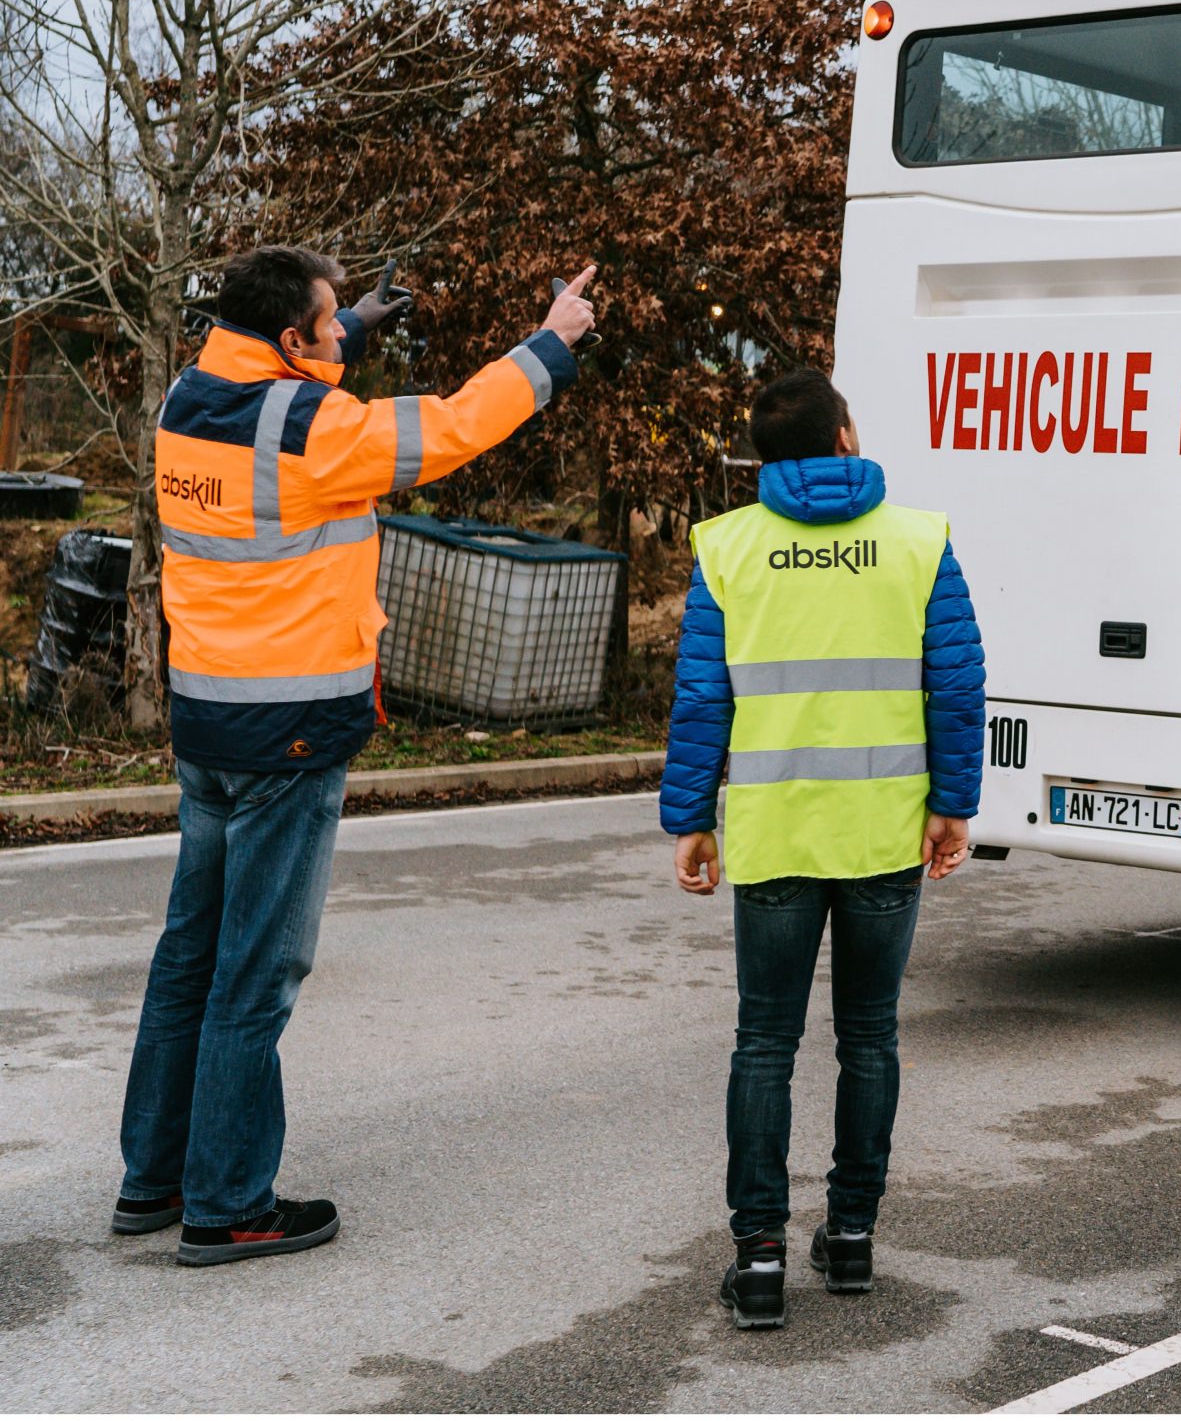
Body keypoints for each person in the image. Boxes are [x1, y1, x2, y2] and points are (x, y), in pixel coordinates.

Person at [119, 244, 594, 1266]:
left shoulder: (187, 399)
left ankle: (152, 1178)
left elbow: (277, 396)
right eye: (329, 321)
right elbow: (451, 426)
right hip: (289, 732)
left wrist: (358, 326)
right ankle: (228, 1204)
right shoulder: (313, 429)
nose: (342, 331)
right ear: (293, 341)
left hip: (207, 721)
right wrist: (549, 346)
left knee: (189, 957)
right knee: (257, 972)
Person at [659, 366, 985, 1331]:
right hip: (884, 831)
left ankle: (759, 1257)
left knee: (764, 1042)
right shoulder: (920, 540)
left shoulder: (727, 547)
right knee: (869, 1036)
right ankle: (850, 1237)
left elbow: (701, 697)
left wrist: (691, 817)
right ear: (845, 436)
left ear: (764, 453)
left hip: (776, 835)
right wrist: (953, 803)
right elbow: (956, 684)